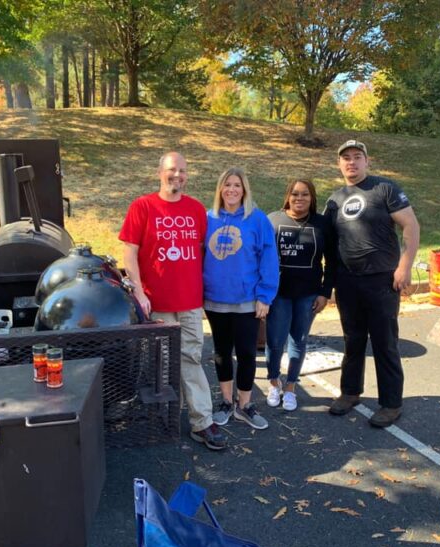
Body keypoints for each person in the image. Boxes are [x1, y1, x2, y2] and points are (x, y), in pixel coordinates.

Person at [119, 152, 227, 450]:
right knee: (161, 364)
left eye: (182, 170)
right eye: (171, 169)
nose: (177, 175)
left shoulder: (196, 209)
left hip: (190, 302)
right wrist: (139, 292)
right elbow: (130, 252)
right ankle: (163, 417)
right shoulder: (142, 206)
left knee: (190, 358)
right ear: (159, 172)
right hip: (157, 303)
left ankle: (201, 422)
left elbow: (203, 251)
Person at [326, 140, 420, 427]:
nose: (351, 162)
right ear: (339, 164)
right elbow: (329, 243)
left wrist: (404, 266)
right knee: (352, 341)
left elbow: (411, 225)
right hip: (348, 282)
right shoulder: (335, 200)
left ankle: (391, 404)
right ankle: (350, 392)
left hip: (381, 281)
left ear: (367, 161)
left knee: (384, 342)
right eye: (346, 158)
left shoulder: (384, 188)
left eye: (357, 157)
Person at [203, 167, 279, 430]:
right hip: (215, 299)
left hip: (247, 300)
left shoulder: (257, 220)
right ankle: (226, 402)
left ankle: (244, 405)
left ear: (244, 189)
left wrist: (265, 296)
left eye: (237, 185)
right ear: (220, 189)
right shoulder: (208, 218)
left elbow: (269, 259)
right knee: (222, 353)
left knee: (246, 353)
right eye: (227, 185)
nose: (232, 190)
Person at [265, 179, 336, 411]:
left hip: (308, 294)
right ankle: (274, 382)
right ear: (288, 196)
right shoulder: (273, 220)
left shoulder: (322, 224)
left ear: (312, 198)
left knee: (299, 340)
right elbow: (261, 257)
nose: (299, 198)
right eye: (295, 194)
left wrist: (325, 292)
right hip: (278, 294)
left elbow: (332, 262)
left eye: (305, 194)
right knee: (275, 341)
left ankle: (291, 387)